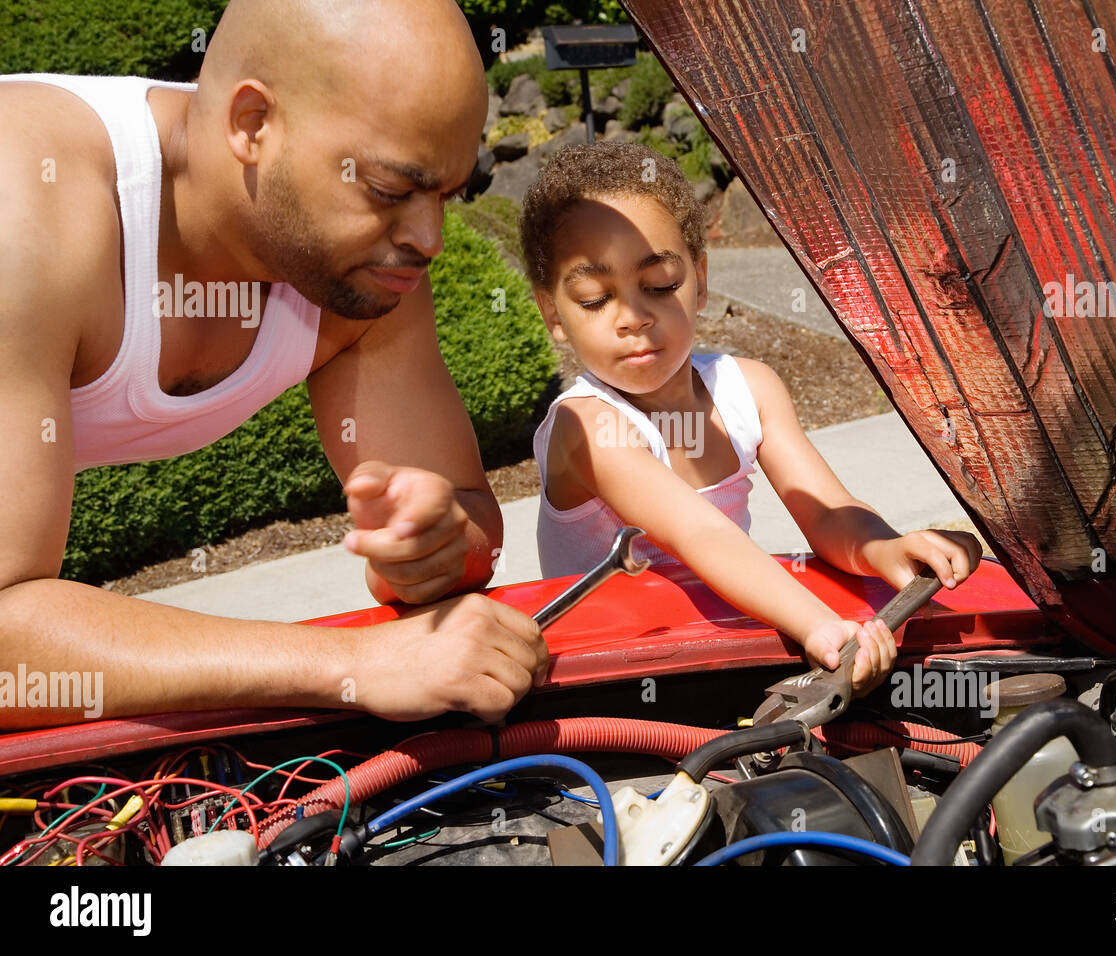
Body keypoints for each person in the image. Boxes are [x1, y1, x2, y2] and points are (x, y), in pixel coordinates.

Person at [0, 0, 547, 728]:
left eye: (445, 194)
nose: (428, 237)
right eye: (389, 190)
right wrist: (351, 665)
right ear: (252, 124)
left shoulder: (365, 268)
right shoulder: (28, 215)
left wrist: (434, 544)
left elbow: (469, 520)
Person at [522, 142, 982, 694]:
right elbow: (699, 533)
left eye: (660, 285)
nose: (634, 317)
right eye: (596, 298)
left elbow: (829, 511)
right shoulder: (585, 426)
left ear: (699, 279)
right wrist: (819, 627)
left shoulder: (750, 388)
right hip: (608, 678)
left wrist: (885, 549)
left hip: (731, 650)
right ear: (553, 313)